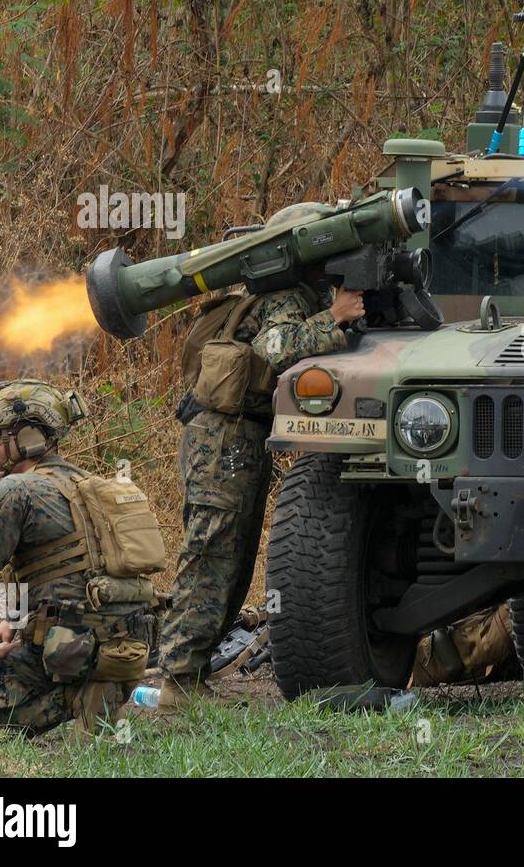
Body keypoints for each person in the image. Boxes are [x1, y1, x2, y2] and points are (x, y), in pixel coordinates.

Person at [158, 206, 366, 707]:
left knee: (234, 554)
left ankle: (191, 674)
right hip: (221, 441)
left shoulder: (293, 294)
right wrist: (335, 318)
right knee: (211, 552)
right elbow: (278, 349)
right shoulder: (282, 296)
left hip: (238, 439)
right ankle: (177, 679)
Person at [0, 379, 160, 735]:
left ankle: (75, 699)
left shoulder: (16, 489)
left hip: (70, 651)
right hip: (128, 649)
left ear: (27, 438)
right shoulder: (92, 486)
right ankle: (107, 689)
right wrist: (15, 620)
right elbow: (59, 565)